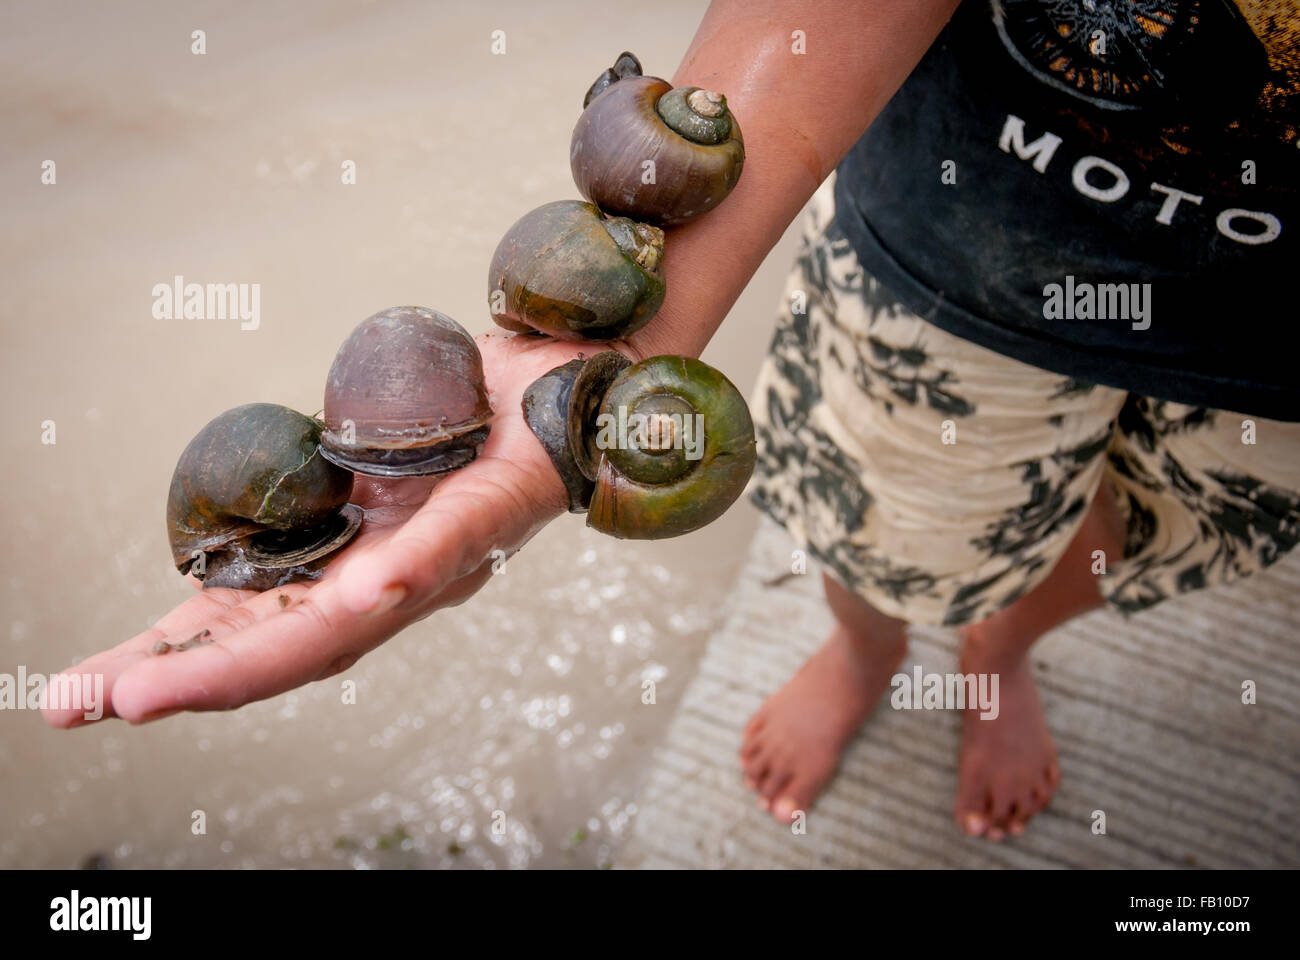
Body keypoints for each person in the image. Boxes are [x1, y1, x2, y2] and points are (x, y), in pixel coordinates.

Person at [47, 0, 1299, 844]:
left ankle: (1000, 649)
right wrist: (625, 334)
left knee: (1152, 531)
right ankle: (865, 654)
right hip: (957, 258)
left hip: (1268, 355)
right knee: (887, 527)